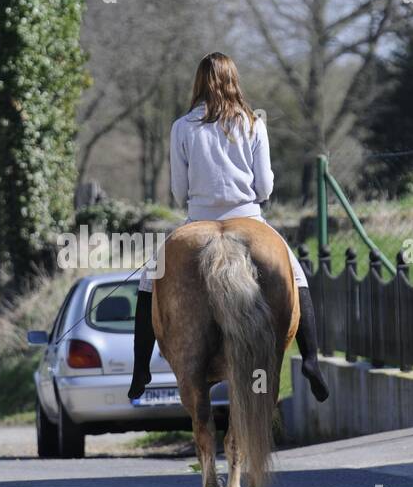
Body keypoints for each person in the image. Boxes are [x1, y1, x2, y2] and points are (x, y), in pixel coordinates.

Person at [128, 51, 330, 404]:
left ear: (199, 83)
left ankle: (140, 369)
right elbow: (265, 186)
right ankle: (311, 360)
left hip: (199, 219)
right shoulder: (253, 123)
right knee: (296, 275)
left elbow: (178, 189)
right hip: (248, 216)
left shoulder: (182, 127)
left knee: (150, 279)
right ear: (233, 80)